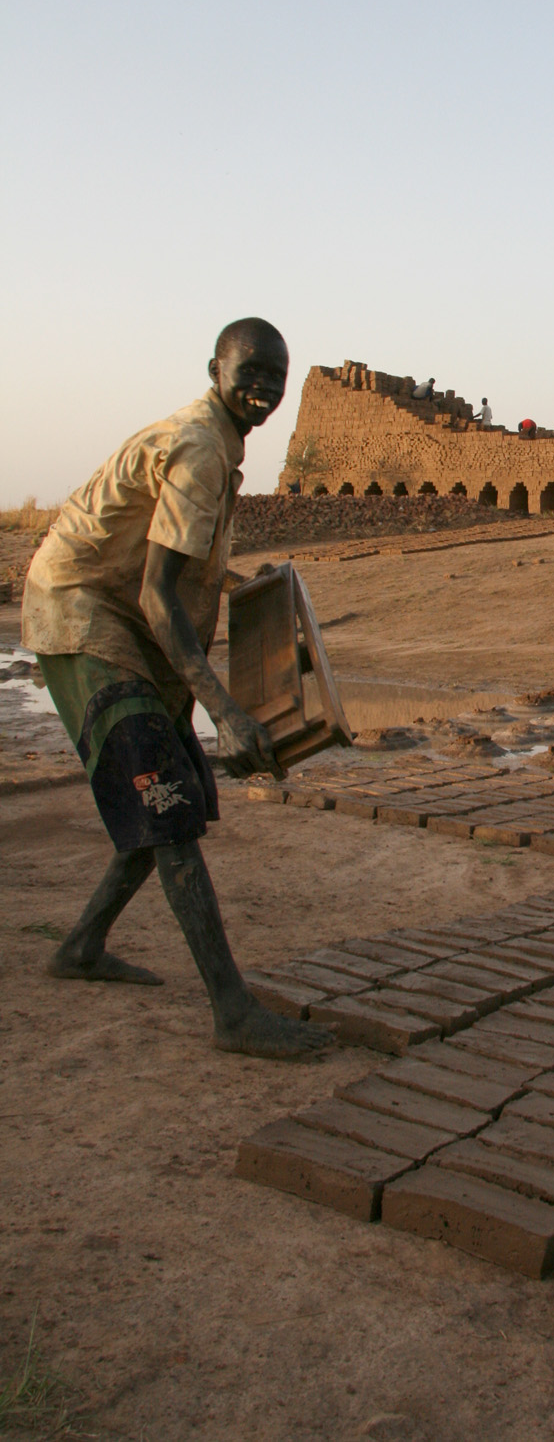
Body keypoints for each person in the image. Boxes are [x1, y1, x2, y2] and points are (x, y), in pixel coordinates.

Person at [21, 318, 331, 1060]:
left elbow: (180, 574)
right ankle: (232, 1012)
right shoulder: (200, 447)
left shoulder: (221, 446)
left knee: (166, 783)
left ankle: (84, 943)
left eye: (276, 378)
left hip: (120, 611)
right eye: (250, 370)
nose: (263, 387)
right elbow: (160, 598)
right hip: (83, 612)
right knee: (167, 799)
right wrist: (224, 710)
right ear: (214, 369)